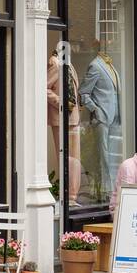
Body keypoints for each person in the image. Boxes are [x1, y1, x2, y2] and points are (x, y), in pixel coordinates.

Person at [79, 42, 122, 199]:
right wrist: (96, 110)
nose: (109, 48)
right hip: (102, 117)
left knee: (112, 156)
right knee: (103, 156)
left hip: (116, 117)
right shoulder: (95, 66)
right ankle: (105, 191)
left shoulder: (111, 65)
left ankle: (112, 188)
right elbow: (84, 93)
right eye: (106, 46)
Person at [47, 46, 82, 206]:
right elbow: (44, 88)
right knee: (65, 157)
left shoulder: (68, 64)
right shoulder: (54, 63)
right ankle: (67, 195)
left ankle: (72, 196)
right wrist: (61, 102)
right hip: (61, 117)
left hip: (73, 118)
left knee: (74, 158)